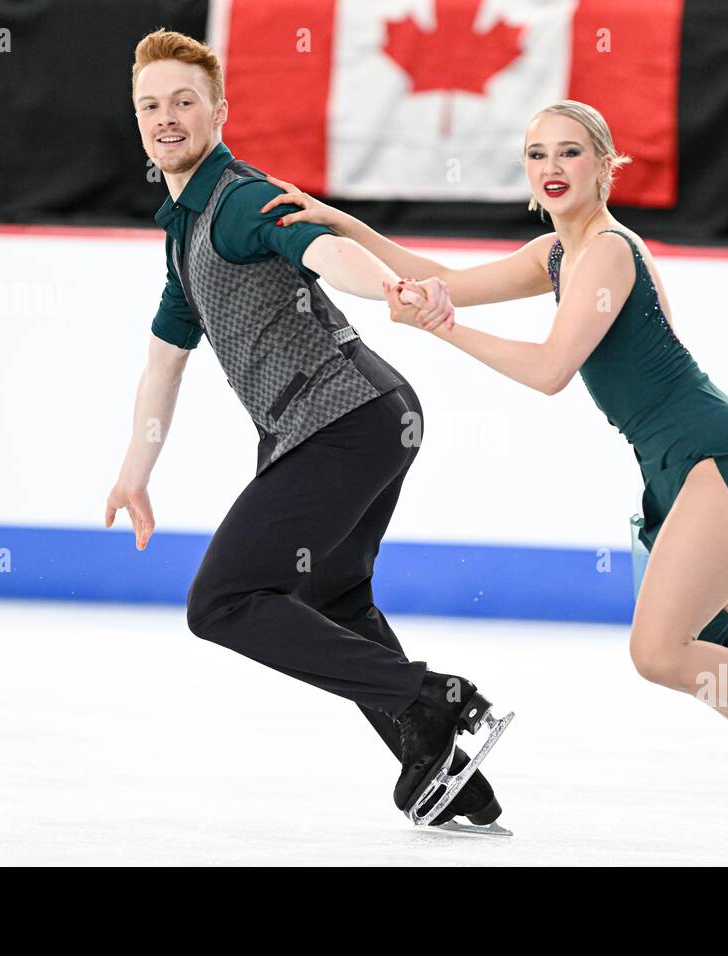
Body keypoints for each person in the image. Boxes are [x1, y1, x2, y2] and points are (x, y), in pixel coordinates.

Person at [263, 99, 728, 852]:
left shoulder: (605, 250)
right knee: (700, 657)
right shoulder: (558, 256)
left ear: (606, 165)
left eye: (570, 153)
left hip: (717, 456)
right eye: (537, 155)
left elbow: (548, 371)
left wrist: (442, 327)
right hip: (680, 469)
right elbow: (440, 275)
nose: (551, 168)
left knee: (659, 651)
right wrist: (342, 224)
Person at [103, 29, 511, 830]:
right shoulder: (184, 227)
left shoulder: (242, 199)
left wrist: (392, 284)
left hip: (346, 418)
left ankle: (431, 697)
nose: (166, 117)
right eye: (150, 105)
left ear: (220, 110)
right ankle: (449, 777)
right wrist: (134, 471)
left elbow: (324, 249)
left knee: (221, 600)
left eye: (185, 100)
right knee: (334, 597)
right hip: (358, 419)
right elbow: (163, 363)